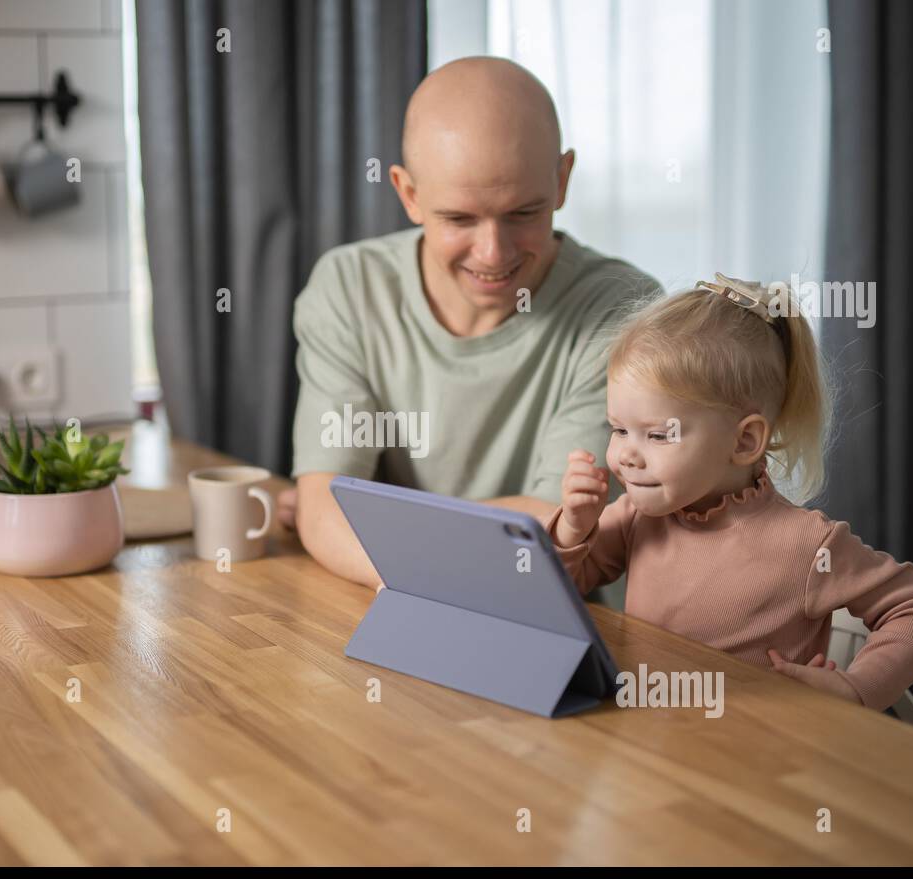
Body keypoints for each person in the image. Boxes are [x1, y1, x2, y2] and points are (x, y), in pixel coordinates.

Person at [281, 56, 659, 590]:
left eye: (524, 213)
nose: (493, 252)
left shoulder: (625, 311)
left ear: (562, 179)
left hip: (575, 628)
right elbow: (324, 512)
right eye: (459, 218)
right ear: (408, 194)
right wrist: (331, 514)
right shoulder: (348, 288)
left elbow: (554, 532)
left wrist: (369, 522)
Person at [546, 274, 913, 710]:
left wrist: (858, 688)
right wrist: (573, 528)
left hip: (755, 763)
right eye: (619, 429)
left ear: (743, 442)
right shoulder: (635, 517)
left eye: (659, 435)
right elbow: (555, 591)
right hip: (651, 744)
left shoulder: (807, 544)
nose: (626, 454)